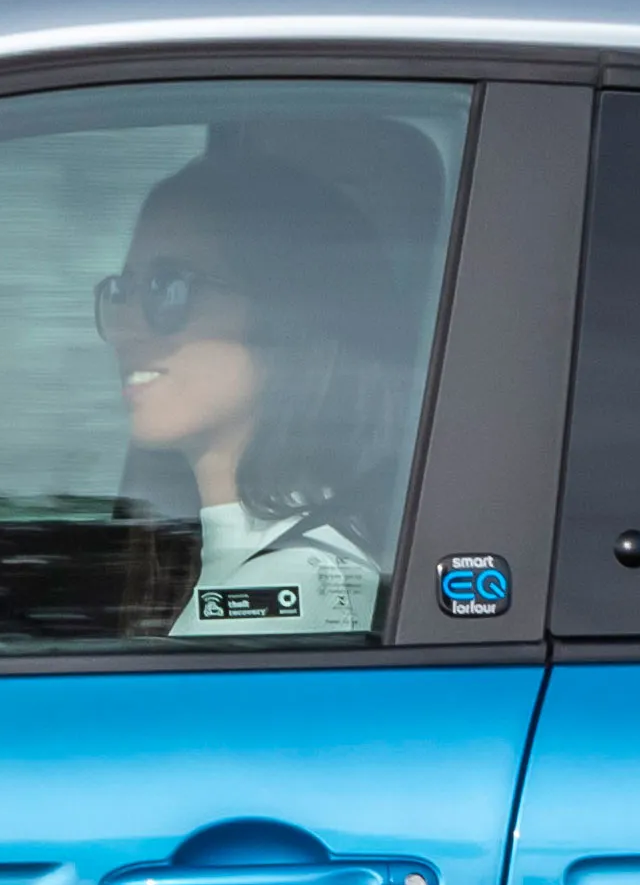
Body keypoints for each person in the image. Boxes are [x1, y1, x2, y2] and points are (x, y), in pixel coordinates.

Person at [99, 134, 432, 641]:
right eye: (120, 291)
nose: (125, 327)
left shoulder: (286, 592)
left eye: (169, 289)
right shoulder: (237, 572)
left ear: (287, 321)